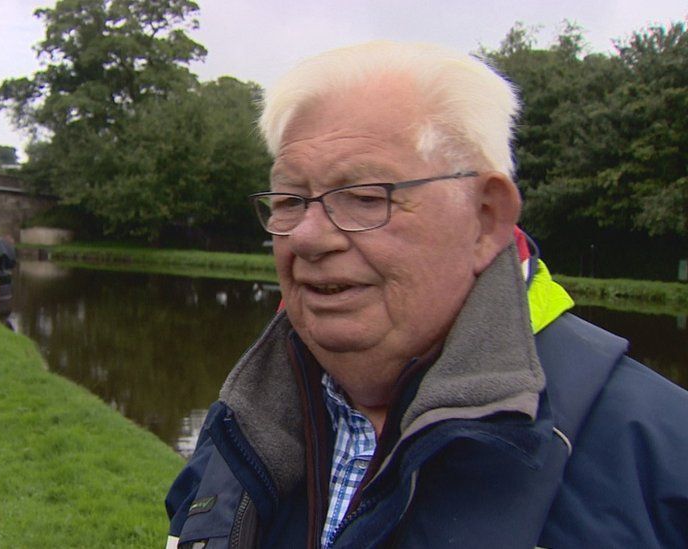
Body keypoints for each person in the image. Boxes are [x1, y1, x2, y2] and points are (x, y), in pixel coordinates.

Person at [165, 41, 688, 548]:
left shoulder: (662, 458)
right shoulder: (239, 423)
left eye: (365, 197)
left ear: (485, 219)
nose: (305, 237)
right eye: (288, 201)